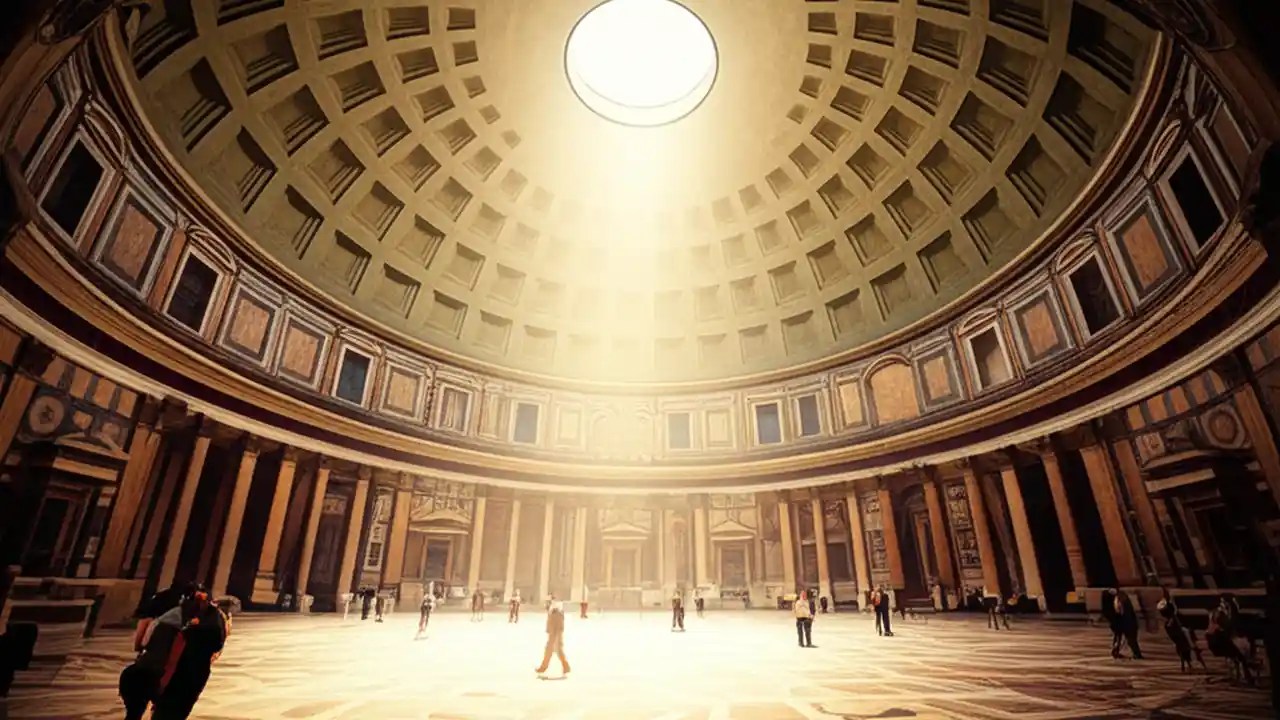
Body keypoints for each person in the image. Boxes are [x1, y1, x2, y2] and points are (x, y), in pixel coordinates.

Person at [149, 586, 231, 720]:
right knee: (175, 709)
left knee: (169, 709)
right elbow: (217, 644)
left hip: (182, 670)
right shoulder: (214, 618)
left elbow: (150, 637)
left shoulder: (188, 616)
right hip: (188, 670)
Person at [534, 596, 571, 677]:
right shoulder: (554, 610)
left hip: (554, 634)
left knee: (555, 649)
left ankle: (564, 666)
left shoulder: (555, 612)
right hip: (554, 633)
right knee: (552, 650)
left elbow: (556, 624)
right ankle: (545, 667)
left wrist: (552, 636)